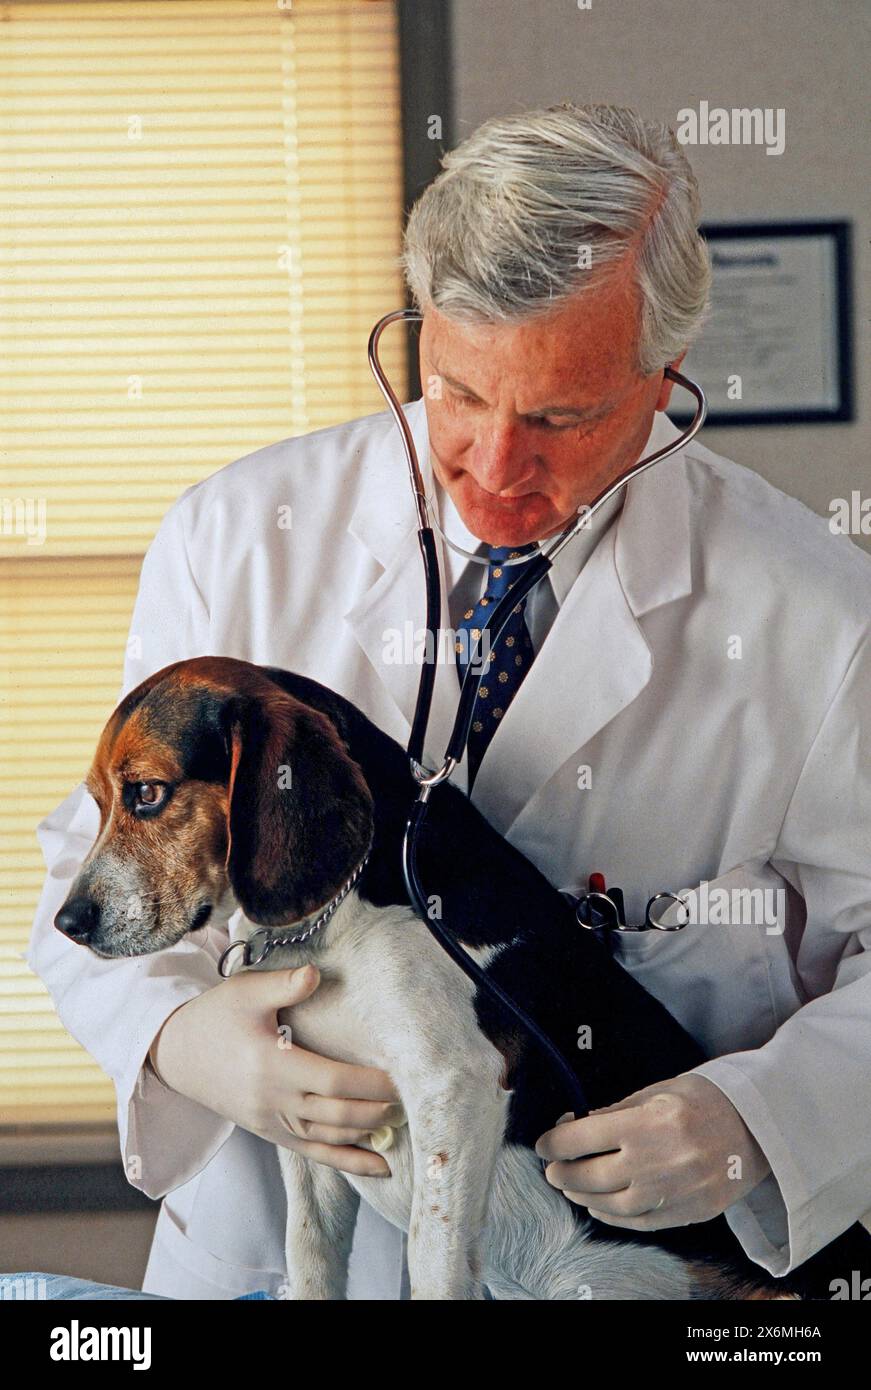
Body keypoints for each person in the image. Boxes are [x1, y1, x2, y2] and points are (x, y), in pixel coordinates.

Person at [27, 103, 871, 1300]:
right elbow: (96, 860)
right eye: (459, 392)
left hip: (614, 1269)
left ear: (663, 376)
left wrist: (764, 1117)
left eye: (560, 417)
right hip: (281, 1256)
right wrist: (184, 1040)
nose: (490, 467)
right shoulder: (234, 533)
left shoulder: (821, 615)